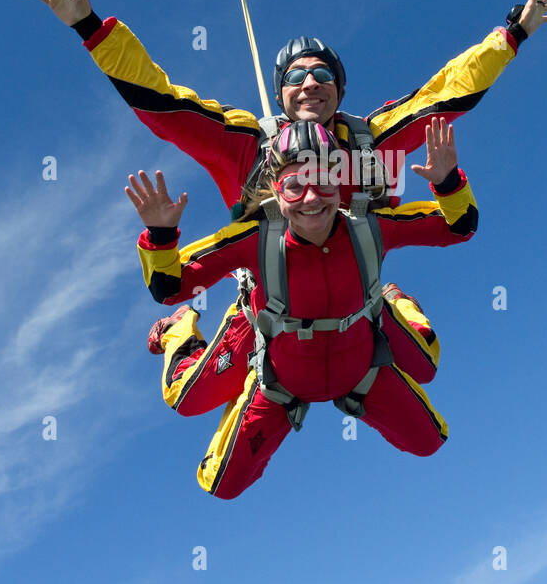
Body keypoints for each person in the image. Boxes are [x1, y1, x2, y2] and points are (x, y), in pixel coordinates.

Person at [21, 0, 547, 416]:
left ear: (339, 90)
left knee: (425, 363)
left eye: (324, 73)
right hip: (267, 309)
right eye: (296, 76)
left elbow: (445, 93)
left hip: (356, 300)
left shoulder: (371, 143)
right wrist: (89, 26)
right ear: (280, 93)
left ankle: (393, 300)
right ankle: (179, 331)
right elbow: (163, 105)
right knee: (187, 399)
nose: (310, 82)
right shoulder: (247, 147)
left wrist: (513, 33)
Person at [126, 118, 475, 499]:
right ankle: (180, 332)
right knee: (215, 474)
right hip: (281, 384)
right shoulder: (254, 239)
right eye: (295, 187)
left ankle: (396, 301)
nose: (311, 199)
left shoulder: (370, 227)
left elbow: (457, 228)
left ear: (339, 184)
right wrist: (160, 235)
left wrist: (448, 182)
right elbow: (170, 286)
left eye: (323, 183)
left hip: (363, 369)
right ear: (277, 192)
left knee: (430, 434)